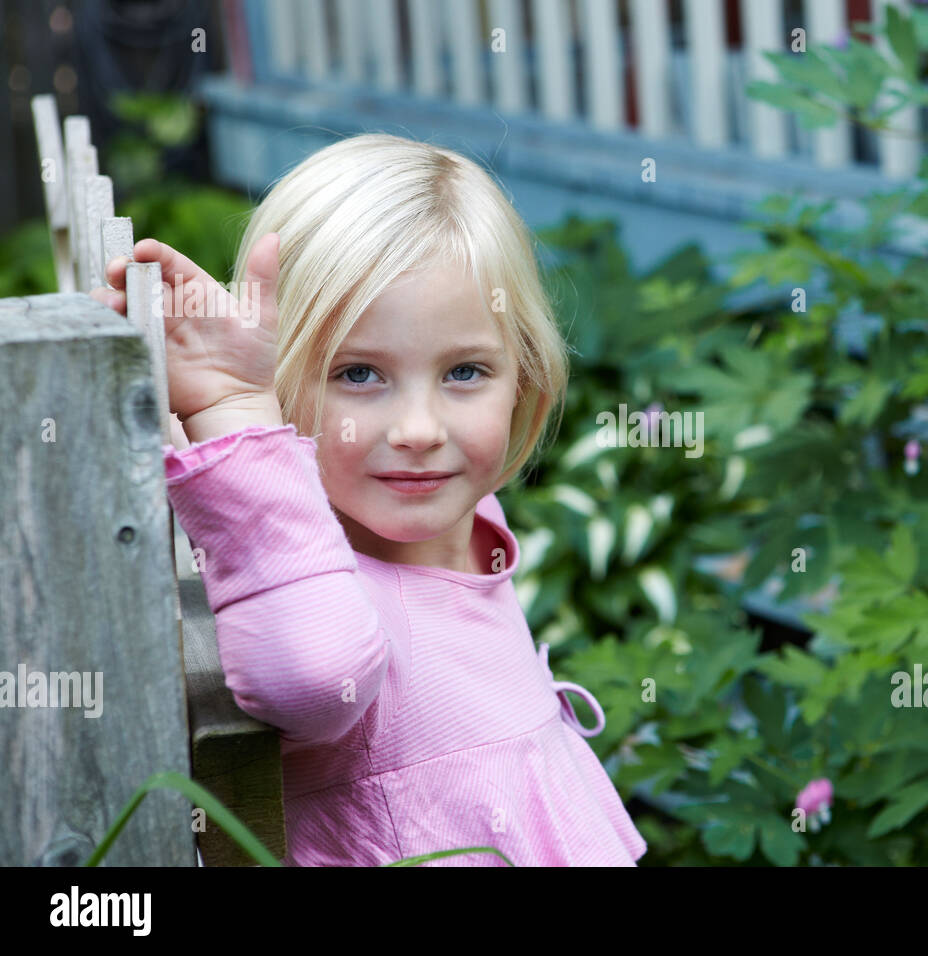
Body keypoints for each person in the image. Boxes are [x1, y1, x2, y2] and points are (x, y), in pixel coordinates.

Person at [91, 133, 647, 867]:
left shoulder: (458, 517)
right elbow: (312, 674)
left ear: (525, 379)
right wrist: (229, 406)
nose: (419, 430)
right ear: (274, 380)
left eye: (465, 372)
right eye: (358, 374)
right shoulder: (318, 598)